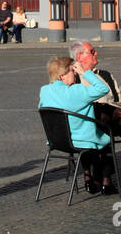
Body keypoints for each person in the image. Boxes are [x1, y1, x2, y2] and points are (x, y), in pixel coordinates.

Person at [39, 54, 116, 193]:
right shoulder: (76, 91)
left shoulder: (44, 91)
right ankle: (106, 181)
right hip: (79, 139)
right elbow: (103, 89)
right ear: (62, 76)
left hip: (57, 140)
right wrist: (84, 72)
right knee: (106, 136)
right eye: (72, 71)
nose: (75, 73)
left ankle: (88, 178)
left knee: (90, 134)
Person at [76, 40, 121, 188]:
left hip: (116, 117)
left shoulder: (105, 74)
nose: (96, 54)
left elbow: (118, 97)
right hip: (92, 122)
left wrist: (120, 109)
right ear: (79, 57)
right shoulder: (76, 78)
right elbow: (78, 103)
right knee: (101, 123)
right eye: (92, 52)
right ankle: (102, 177)